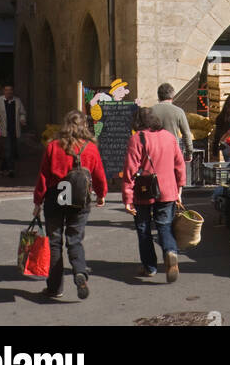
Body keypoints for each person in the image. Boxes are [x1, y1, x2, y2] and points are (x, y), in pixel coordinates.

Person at [32, 109, 107, 300]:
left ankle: (55, 287)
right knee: (75, 239)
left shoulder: (53, 146)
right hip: (79, 199)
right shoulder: (90, 148)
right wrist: (101, 194)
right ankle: (80, 272)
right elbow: (98, 175)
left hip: (55, 197)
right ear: (84, 126)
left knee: (54, 242)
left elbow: (43, 176)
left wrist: (38, 201)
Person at [122, 105, 186, 282]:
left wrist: (127, 198)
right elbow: (179, 164)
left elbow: (129, 170)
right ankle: (170, 252)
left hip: (143, 191)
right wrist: (180, 188)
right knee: (164, 225)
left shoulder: (137, 139)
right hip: (168, 189)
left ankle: (149, 267)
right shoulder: (169, 137)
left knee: (143, 228)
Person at [0, 84, 27, 178]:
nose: (8, 92)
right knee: (8, 150)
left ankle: (3, 168)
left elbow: (22, 112)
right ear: (4, 91)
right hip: (3, 130)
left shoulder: (17, 101)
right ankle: (11, 169)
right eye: (6, 90)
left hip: (14, 129)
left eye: (10, 90)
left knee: (11, 150)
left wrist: (22, 119)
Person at [153, 83, 193, 162]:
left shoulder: (151, 111)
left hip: (154, 151)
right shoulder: (178, 111)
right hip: (172, 151)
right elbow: (186, 134)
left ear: (158, 96)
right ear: (173, 95)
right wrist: (189, 152)